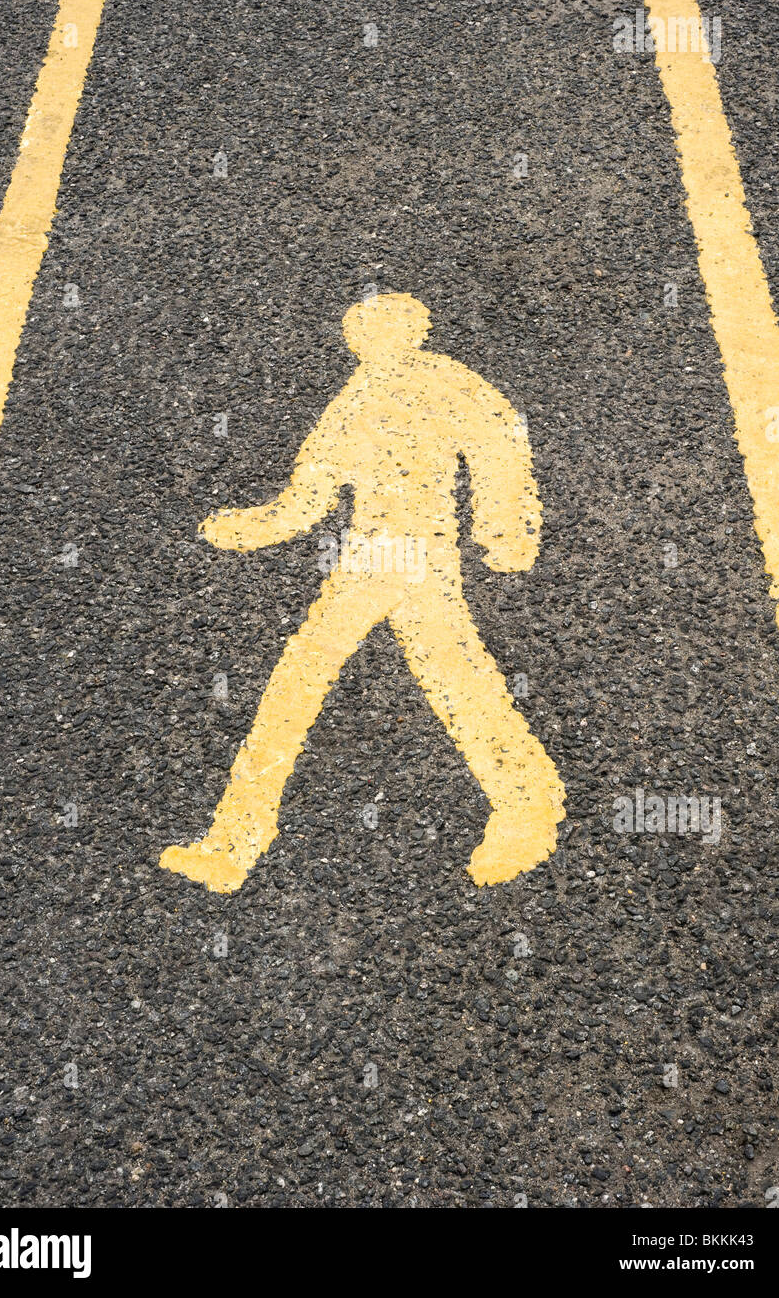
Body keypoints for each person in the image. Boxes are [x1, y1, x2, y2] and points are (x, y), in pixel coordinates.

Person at [161, 293, 565, 893]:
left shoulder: (442, 385)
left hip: (414, 559)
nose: (371, 339)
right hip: (373, 560)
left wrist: (504, 533)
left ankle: (234, 843)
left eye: (380, 328)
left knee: (335, 682)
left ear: (412, 332)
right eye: (363, 330)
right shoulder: (356, 399)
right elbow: (310, 494)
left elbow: (497, 447)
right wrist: (242, 528)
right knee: (418, 682)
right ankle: (231, 843)